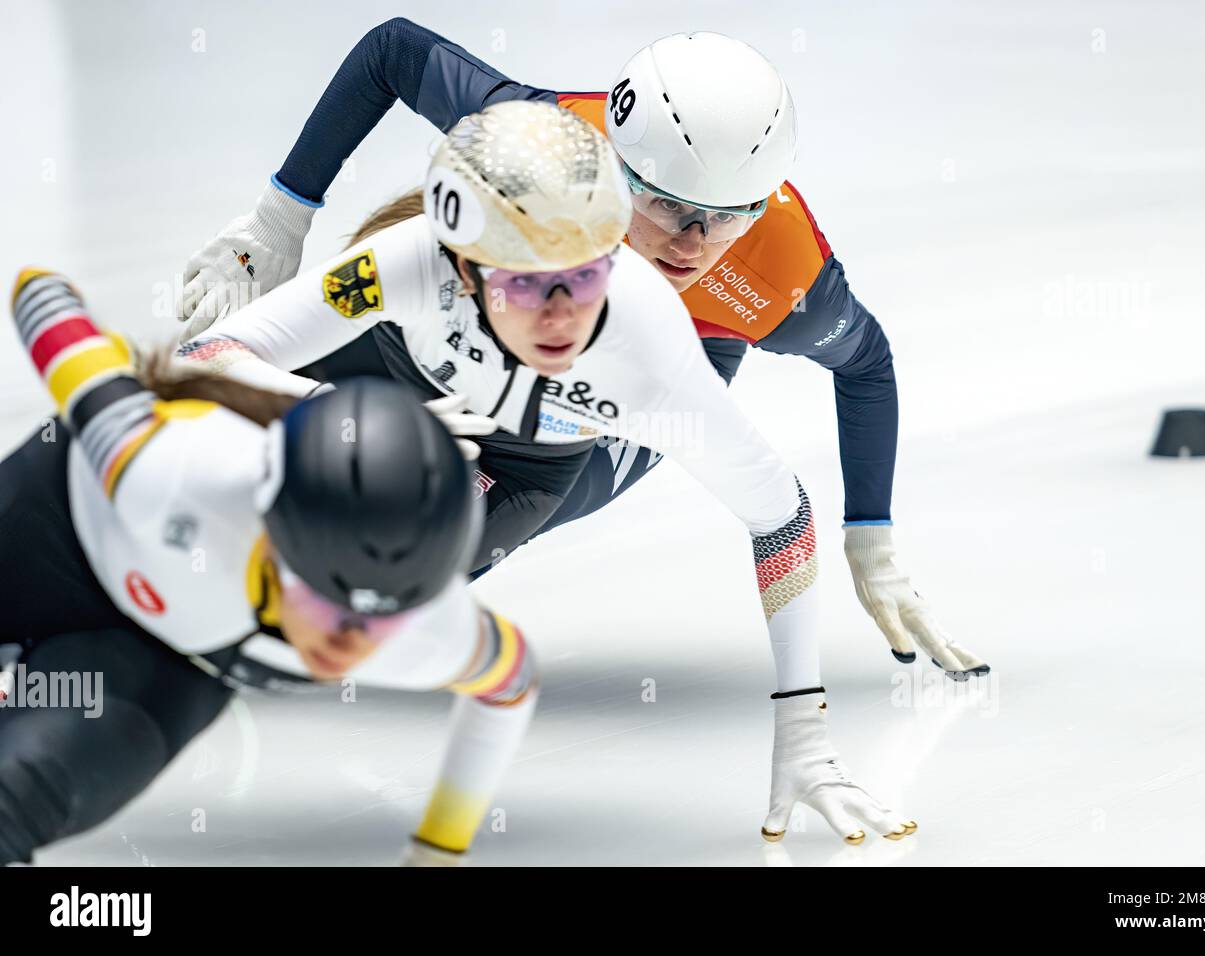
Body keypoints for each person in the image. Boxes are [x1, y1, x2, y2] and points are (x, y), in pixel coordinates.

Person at [176, 99, 917, 845]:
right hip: (399, 366)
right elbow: (202, 359)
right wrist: (342, 418)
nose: (564, 318)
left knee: (333, 600)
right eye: (528, 285)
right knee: (201, 450)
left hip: (522, 462)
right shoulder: (413, 258)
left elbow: (780, 516)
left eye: (591, 275)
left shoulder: (649, 351)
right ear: (462, 267)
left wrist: (804, 728)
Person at [177, 22, 989, 681]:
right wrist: (279, 223)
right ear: (615, 164)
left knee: (426, 531)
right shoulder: (551, 139)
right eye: (668, 206)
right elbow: (392, 50)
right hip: (492, 296)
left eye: (730, 214)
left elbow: (866, 365)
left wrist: (870, 536)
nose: (695, 244)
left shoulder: (784, 277)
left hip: (625, 392)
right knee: (238, 403)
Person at [0, 269, 533, 865]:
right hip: (53, 534)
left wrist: (436, 849)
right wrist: (59, 302)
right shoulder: (174, 470)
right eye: (328, 600)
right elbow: (42, 303)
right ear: (271, 540)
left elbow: (509, 687)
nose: (347, 642)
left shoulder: (427, 626)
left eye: (380, 623)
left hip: (165, 655)